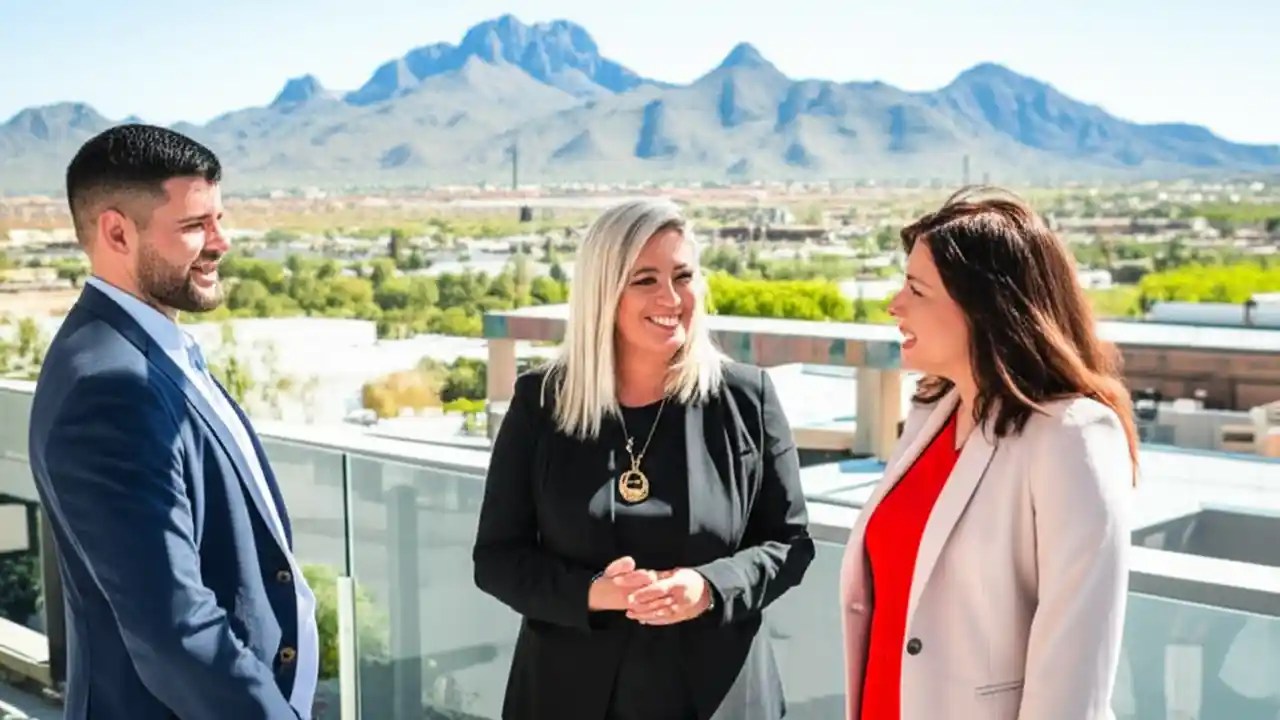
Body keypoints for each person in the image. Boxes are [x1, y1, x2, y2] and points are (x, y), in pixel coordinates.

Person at [473, 198, 815, 720]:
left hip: (719, 698)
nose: (671, 297)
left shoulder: (748, 399)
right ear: (603, 293)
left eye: (682, 276)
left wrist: (709, 588)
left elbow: (789, 545)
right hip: (567, 698)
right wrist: (595, 593)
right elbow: (497, 560)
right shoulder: (540, 403)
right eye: (645, 280)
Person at [27, 124, 318, 720]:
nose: (221, 242)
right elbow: (176, 633)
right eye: (194, 226)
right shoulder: (111, 390)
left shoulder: (144, 352)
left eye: (217, 219)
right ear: (116, 232)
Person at [839, 187, 1139, 720]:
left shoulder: (1073, 437)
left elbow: (1075, 666)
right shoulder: (932, 412)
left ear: (984, 309)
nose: (895, 305)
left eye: (917, 289)